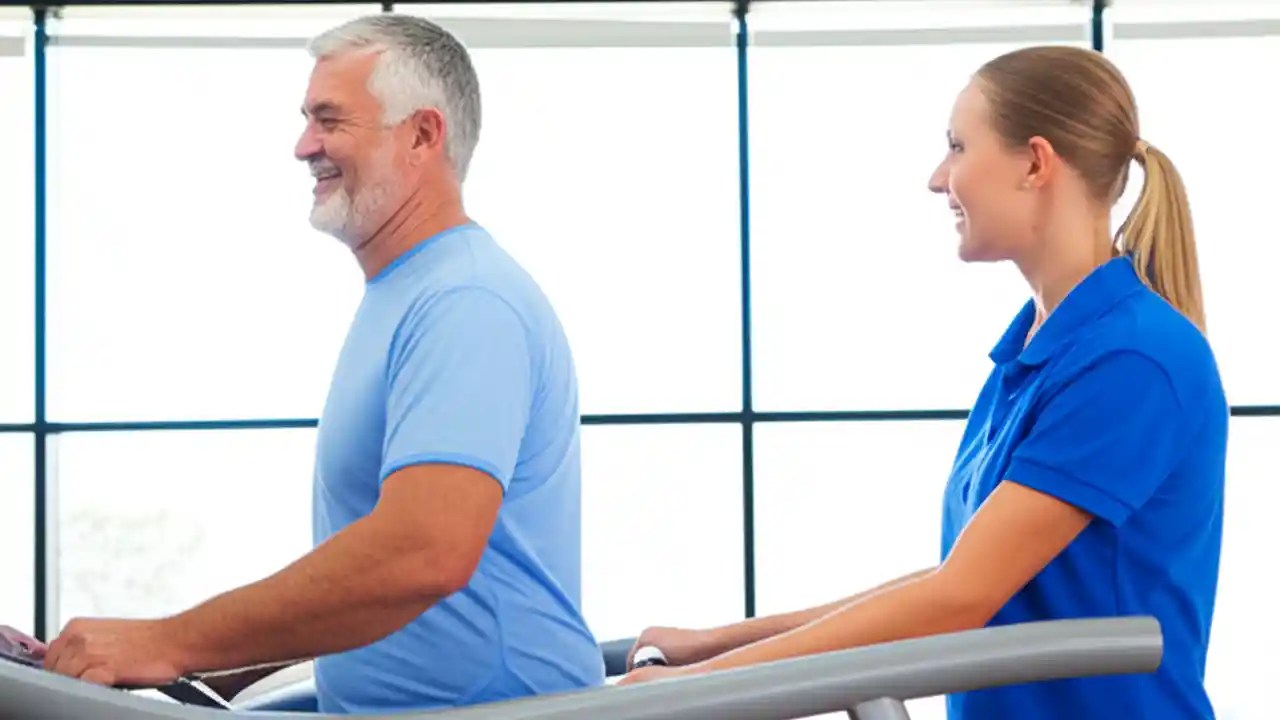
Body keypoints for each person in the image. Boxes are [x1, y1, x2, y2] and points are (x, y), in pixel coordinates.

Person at [620, 45, 1228, 720]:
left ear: (1034, 162)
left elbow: (960, 598)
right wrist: (715, 646)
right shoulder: (1039, 354)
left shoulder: (1133, 361)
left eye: (958, 147)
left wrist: (703, 683)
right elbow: (959, 582)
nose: (940, 179)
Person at [37, 13, 605, 714]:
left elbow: (422, 552)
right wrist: (217, 668)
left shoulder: (466, 301)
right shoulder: (406, 292)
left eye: (330, 120)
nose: (304, 145)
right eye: (308, 119)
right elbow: (380, 581)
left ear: (423, 135)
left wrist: (170, 640)